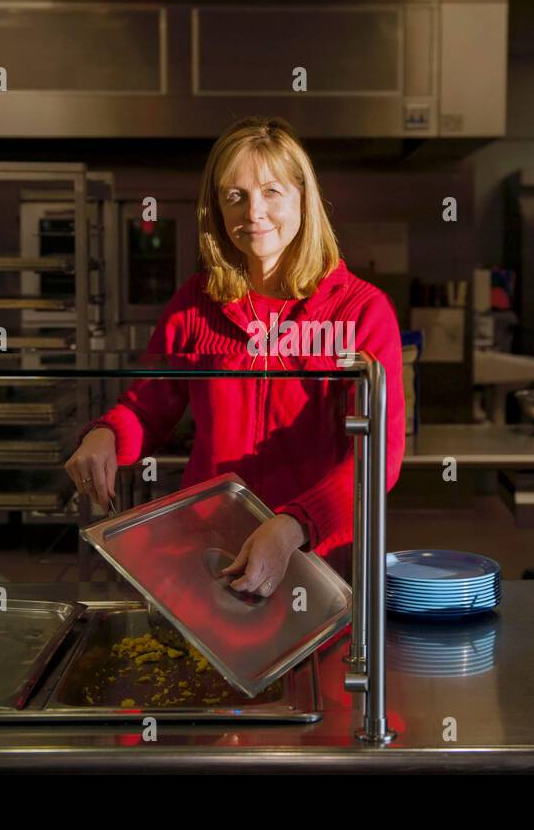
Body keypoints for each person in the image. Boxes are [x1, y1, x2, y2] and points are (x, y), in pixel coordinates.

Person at [64, 115, 404, 596]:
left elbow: (378, 458)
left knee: (311, 671)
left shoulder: (361, 310)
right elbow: (149, 405)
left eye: (271, 192)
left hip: (315, 560)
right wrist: (106, 434)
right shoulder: (195, 302)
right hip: (209, 550)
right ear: (216, 209)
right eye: (235, 195)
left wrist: (293, 526)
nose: (254, 212)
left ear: (303, 198)